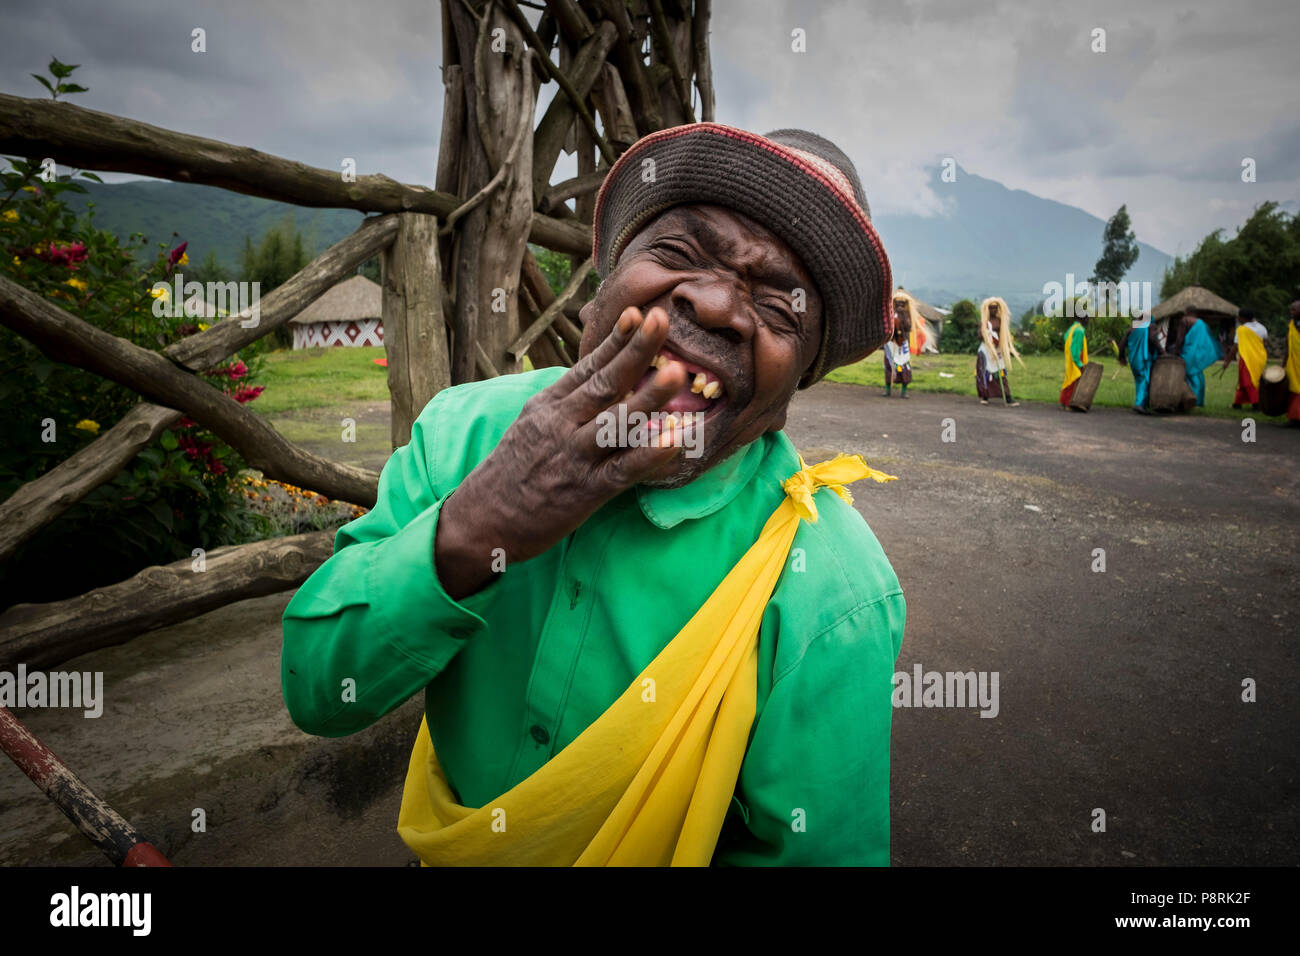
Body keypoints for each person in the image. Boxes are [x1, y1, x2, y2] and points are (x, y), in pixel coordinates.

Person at [280, 125, 906, 867]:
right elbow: (322, 691)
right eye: (680, 254)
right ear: (605, 276)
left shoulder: (835, 591)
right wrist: (478, 527)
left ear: (802, 373)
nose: (715, 306)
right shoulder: (465, 431)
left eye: (780, 306)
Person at [1168, 306, 1221, 408]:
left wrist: (1176, 352)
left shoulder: (1185, 320)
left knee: (1190, 374)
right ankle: (1199, 401)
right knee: (1198, 374)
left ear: (1186, 312)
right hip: (1198, 352)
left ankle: (1192, 401)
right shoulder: (1202, 323)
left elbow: (1180, 338)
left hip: (1189, 352)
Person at [975, 297, 1022, 406]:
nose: (993, 310)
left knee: (1000, 373)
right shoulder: (983, 322)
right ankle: (985, 396)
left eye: (995, 308)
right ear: (987, 309)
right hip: (986, 351)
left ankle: (1007, 396)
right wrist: (986, 334)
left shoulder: (1000, 321)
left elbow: (1004, 335)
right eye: (991, 308)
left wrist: (1006, 347)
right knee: (985, 373)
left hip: (998, 350)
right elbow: (979, 336)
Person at [1224, 309, 1268, 410]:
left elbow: (1235, 347)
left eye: (1239, 317)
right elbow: (1264, 343)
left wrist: (1227, 361)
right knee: (1246, 381)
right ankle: (1237, 403)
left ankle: (1256, 404)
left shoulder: (1241, 329)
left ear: (1243, 318)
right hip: (1260, 358)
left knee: (1249, 382)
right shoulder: (1262, 328)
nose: (1238, 319)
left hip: (1247, 359)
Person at [1118, 311, 1160, 414]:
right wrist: (1162, 351)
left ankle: (1141, 403)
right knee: (1144, 380)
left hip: (1133, 359)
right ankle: (1139, 404)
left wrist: (1121, 357)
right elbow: (1152, 339)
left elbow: (1122, 344)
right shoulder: (1150, 326)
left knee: (1139, 380)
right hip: (1144, 358)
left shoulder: (1132, 329)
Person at [1059, 312, 1091, 410]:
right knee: (1074, 379)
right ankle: (1069, 403)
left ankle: (1064, 402)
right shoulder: (1079, 330)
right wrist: (1079, 363)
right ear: (1083, 319)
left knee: (1069, 378)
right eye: (1087, 318)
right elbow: (1075, 348)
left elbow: (1066, 338)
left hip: (1069, 357)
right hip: (1076, 357)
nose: (1088, 321)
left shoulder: (1072, 328)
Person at [883, 320, 911, 398]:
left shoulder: (905, 315)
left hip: (902, 347)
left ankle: (904, 391)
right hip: (891, 345)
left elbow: (908, 327)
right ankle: (888, 390)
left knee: (903, 369)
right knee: (889, 368)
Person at [1286, 300, 1300, 425]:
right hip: (1293, 362)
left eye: (1294, 310)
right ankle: (1294, 418)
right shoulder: (1292, 324)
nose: (1291, 312)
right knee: (1293, 389)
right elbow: (1288, 344)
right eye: (1291, 310)